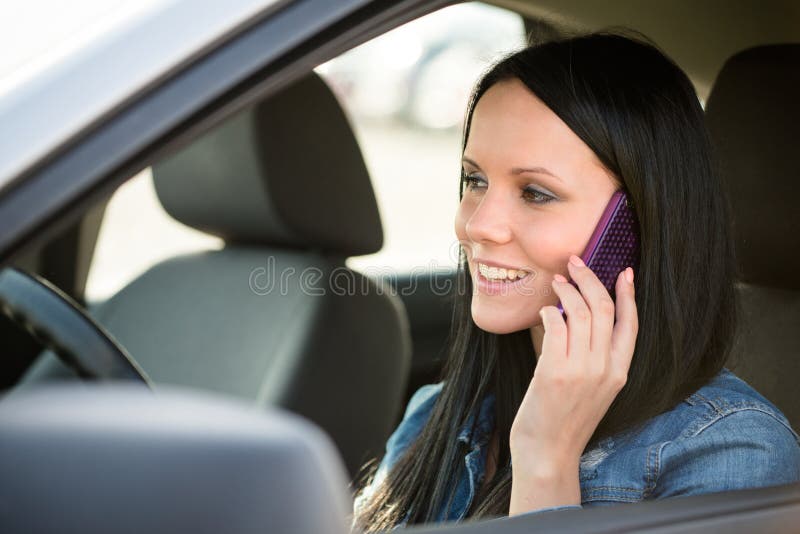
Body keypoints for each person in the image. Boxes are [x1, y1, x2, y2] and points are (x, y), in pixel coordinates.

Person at [350, 31, 800, 532]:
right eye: (475, 180)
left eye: (536, 193)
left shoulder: (732, 451)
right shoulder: (437, 413)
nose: (476, 225)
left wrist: (546, 461)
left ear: (634, 227)